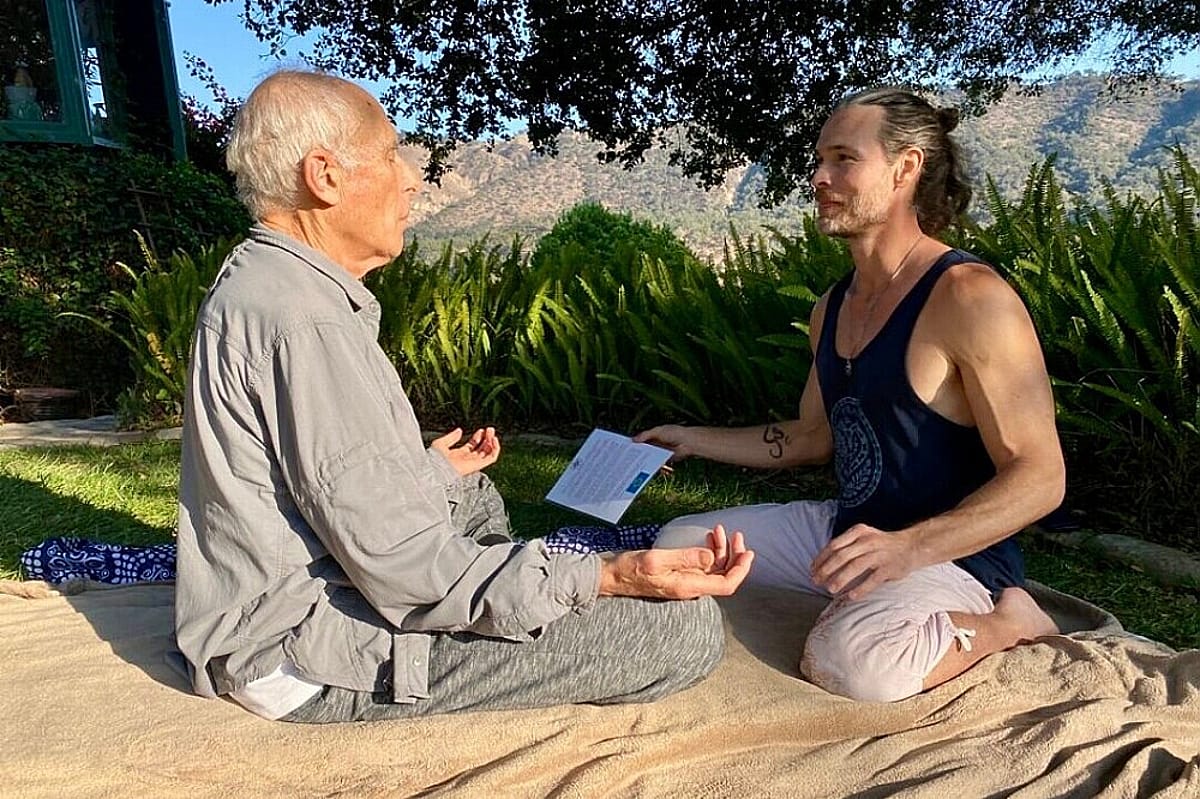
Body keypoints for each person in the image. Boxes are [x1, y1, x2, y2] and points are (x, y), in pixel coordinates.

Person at [174, 70, 753, 724]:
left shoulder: (273, 283)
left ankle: (504, 592)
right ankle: (510, 606)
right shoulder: (303, 322)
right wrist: (611, 574)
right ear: (325, 176)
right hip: (309, 651)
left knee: (466, 489)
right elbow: (400, 565)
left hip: (311, 599)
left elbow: (324, 491)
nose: (411, 177)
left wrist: (431, 472)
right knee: (686, 630)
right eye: (391, 154)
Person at [637, 87, 1064, 703]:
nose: (819, 177)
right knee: (680, 546)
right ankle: (858, 595)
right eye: (818, 160)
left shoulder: (969, 297)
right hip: (850, 530)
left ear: (906, 168)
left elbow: (1041, 477)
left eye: (843, 159)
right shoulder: (830, 308)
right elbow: (813, 437)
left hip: (952, 556)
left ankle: (1010, 621)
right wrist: (690, 440)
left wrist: (908, 548)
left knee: (851, 664)